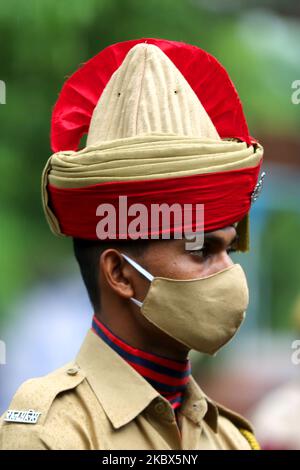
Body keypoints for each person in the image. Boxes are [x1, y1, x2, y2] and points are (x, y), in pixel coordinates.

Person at [0, 38, 264, 450]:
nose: (229, 275)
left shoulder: (230, 437)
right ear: (121, 274)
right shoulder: (50, 433)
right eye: (201, 251)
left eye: (228, 251)